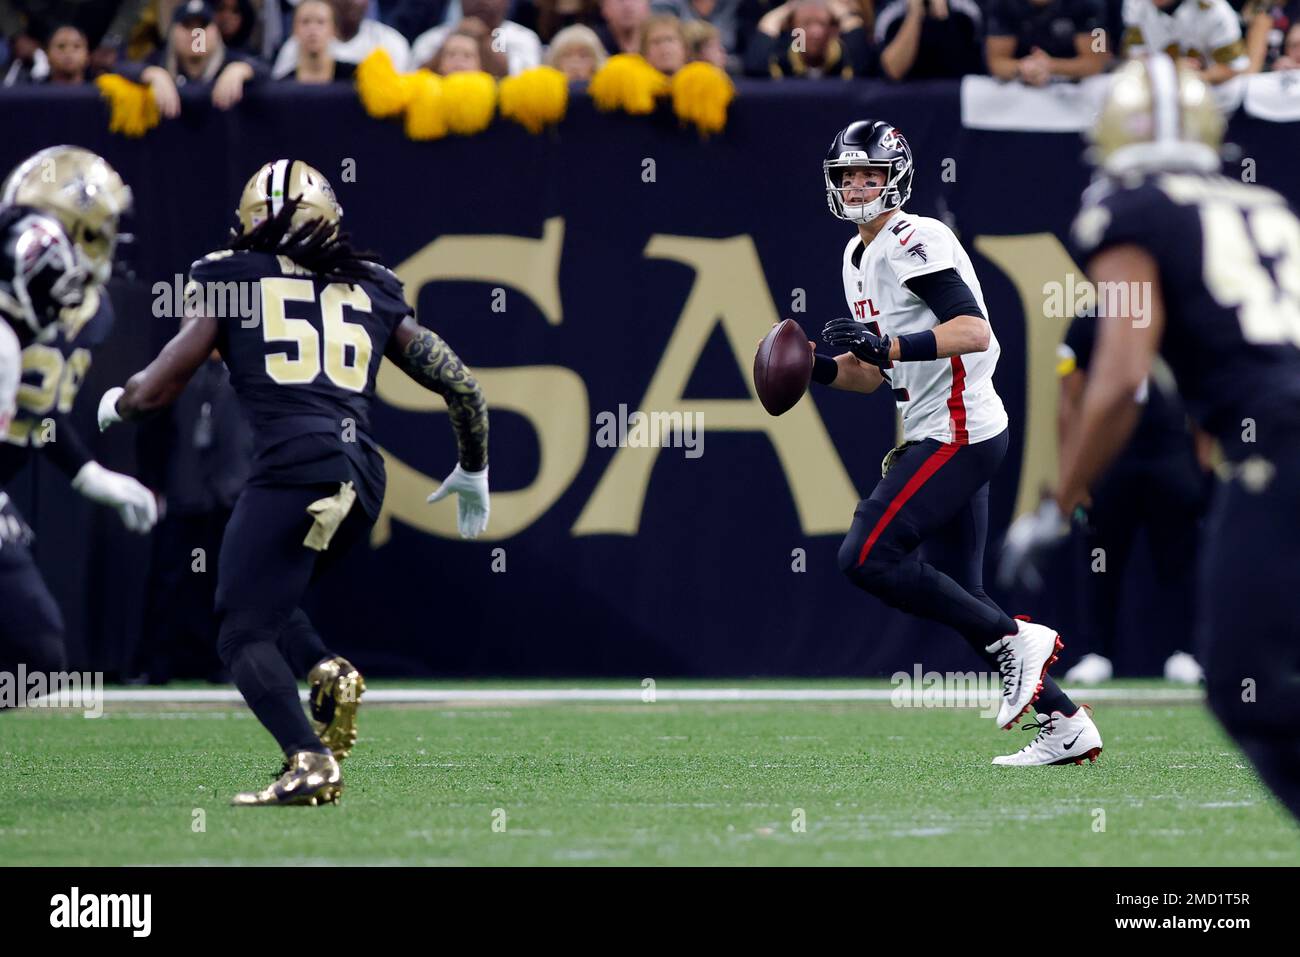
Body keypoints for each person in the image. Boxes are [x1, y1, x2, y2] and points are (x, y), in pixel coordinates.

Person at [96, 159, 491, 807]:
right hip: (362, 474)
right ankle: (324, 668)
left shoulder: (229, 272)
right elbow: (465, 388)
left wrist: (119, 400)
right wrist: (472, 468)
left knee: (237, 628)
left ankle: (307, 759)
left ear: (251, 225)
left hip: (291, 465)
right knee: (264, 601)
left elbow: (165, 381)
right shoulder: (373, 285)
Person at [1002, 53, 1300, 819]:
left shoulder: (1128, 209)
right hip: (1271, 431)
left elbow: (1122, 377)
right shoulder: (1261, 201)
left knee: (1248, 683)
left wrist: (1057, 500)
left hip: (1278, 446)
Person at [803, 120, 1101, 766]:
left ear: (896, 180)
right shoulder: (857, 255)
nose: (858, 186)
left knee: (866, 554)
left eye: (870, 175)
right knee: (968, 603)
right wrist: (818, 368)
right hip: (941, 423)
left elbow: (974, 330)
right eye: (848, 175)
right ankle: (1067, 722)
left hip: (959, 428)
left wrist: (890, 345)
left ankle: (1020, 638)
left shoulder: (914, 237)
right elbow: (873, 373)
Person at [0, 148, 155, 681]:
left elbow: (37, 410)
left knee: (35, 654)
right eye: (99, 225)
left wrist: (90, 475)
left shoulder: (90, 309)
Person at [1056, 312, 1209, 684]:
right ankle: (1097, 652)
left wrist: (1202, 461)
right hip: (1108, 459)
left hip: (1170, 455)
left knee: (1180, 558)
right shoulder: (1086, 323)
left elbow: (1200, 387)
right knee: (1099, 559)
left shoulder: (1174, 316)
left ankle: (1184, 651)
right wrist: (1073, 473)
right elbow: (1070, 399)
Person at [113, 0, 267, 115]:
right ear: (173, 32)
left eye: (203, 26)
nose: (196, 35)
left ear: (216, 32)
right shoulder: (159, 61)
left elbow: (267, 70)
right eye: (187, 26)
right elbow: (119, 68)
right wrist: (152, 73)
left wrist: (242, 70)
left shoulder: (232, 61)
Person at [1121, 0, 1249, 84]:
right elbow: (1135, 55)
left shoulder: (1214, 9)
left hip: (1212, 98)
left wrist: (1196, 77)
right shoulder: (1135, 4)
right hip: (1159, 89)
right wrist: (1167, 68)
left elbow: (1233, 66)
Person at [273, 0, 411, 78]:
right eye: (306, 22)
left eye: (320, 22)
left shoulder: (390, 41)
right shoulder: (296, 45)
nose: (353, 2)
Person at [984, 0, 1110, 85]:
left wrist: (1051, 66)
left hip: (1078, 86)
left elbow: (1097, 61)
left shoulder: (1091, 4)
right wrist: (1024, 68)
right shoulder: (1002, 4)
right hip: (1020, 85)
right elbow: (996, 62)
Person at [745, 0, 870, 78]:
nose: (815, 33)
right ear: (792, 29)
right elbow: (755, 68)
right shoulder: (780, 61)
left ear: (832, 29)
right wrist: (787, 9)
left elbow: (866, 66)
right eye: (806, 24)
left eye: (822, 23)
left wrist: (845, 15)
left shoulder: (845, 59)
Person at [411, 0, 541, 75]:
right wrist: (452, 39)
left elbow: (518, 83)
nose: (483, 2)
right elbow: (415, 80)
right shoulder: (433, 38)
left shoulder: (522, 38)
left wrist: (484, 41)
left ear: (507, 2)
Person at [874, 0, 985, 80]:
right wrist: (914, 12)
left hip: (957, 99)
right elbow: (893, 71)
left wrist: (943, 15)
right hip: (904, 101)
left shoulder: (967, 11)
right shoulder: (890, 15)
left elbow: (965, 65)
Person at [281, 0, 355, 83]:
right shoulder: (283, 84)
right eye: (305, 22)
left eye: (321, 22)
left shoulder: (354, 78)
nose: (312, 29)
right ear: (294, 29)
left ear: (333, 30)